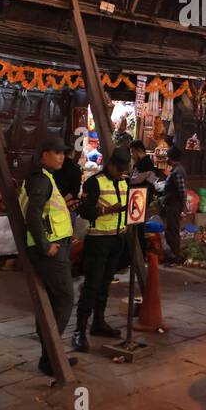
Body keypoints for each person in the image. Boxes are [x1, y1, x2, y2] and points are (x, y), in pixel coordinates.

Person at [21, 137, 78, 377]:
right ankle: (52, 353)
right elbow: (33, 215)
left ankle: (49, 356)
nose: (61, 157)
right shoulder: (41, 180)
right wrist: (46, 246)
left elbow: (43, 213)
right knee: (65, 298)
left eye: (63, 153)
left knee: (54, 301)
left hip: (55, 247)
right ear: (44, 154)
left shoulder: (46, 179)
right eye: (56, 152)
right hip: (50, 252)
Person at [70, 148, 132, 352]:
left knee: (105, 284)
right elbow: (83, 210)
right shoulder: (94, 182)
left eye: (124, 170)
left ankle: (99, 322)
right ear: (111, 164)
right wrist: (106, 210)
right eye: (119, 169)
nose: (122, 173)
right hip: (98, 241)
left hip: (117, 239)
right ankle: (79, 330)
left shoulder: (124, 182)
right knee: (92, 285)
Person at [155, 146, 188, 264]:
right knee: (171, 229)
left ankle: (175, 256)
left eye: (168, 157)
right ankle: (174, 255)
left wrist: (182, 207)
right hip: (172, 204)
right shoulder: (176, 170)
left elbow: (182, 191)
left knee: (172, 230)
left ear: (172, 158)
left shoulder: (177, 172)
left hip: (174, 205)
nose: (167, 160)